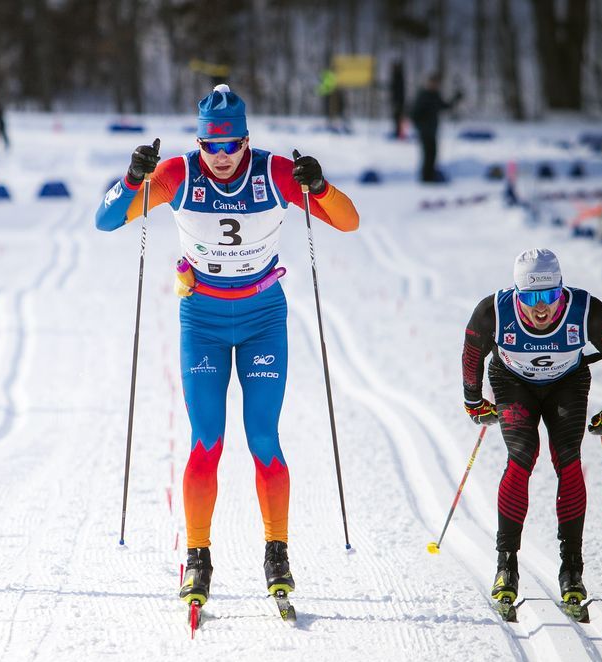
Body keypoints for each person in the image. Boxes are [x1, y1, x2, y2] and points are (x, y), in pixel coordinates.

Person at [96, 84, 359, 608]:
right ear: (198, 143)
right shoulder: (176, 174)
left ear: (246, 139)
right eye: (210, 147)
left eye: (230, 146)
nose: (219, 157)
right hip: (204, 320)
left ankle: (277, 553)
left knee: (263, 438)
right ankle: (198, 558)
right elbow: (106, 219)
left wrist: (321, 186)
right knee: (206, 441)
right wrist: (131, 179)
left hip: (263, 316)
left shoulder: (276, 172)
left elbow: (349, 221)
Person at [460, 249, 602, 610]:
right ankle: (506, 565)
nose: (541, 308)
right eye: (531, 298)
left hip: (566, 384)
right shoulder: (493, 311)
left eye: (550, 296)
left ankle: (572, 569)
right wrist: (474, 401)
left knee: (568, 459)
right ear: (516, 293)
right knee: (522, 456)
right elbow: (472, 353)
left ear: (561, 290)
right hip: (512, 383)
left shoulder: (585, 310)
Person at [409, 72, 462, 182]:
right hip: (424, 131)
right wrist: (421, 126)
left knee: (433, 154)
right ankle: (426, 177)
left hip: (432, 130)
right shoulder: (423, 95)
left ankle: (430, 176)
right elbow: (414, 114)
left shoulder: (435, 95)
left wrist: (455, 99)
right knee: (427, 154)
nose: (435, 85)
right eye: (433, 83)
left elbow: (444, 106)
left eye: (436, 83)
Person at [390, 60, 406, 139]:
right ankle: (398, 133)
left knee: (398, 118)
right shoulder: (396, 76)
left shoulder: (398, 76)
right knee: (397, 118)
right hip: (398, 101)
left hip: (398, 102)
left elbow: (398, 90)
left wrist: (397, 102)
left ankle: (400, 134)